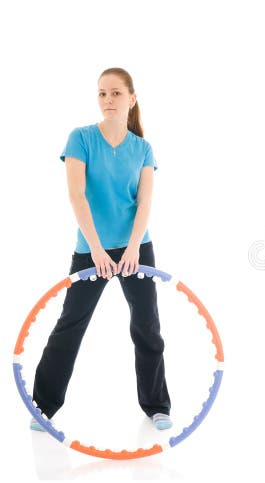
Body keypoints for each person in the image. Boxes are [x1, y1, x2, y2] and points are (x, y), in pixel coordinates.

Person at [31, 67, 172, 431]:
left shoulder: (142, 148)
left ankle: (157, 406)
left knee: (147, 326)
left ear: (132, 99)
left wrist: (132, 249)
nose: (108, 100)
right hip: (90, 251)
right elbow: (76, 195)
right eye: (102, 94)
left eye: (116, 93)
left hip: (135, 250)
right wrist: (96, 250)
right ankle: (43, 406)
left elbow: (144, 203)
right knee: (70, 326)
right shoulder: (80, 138)